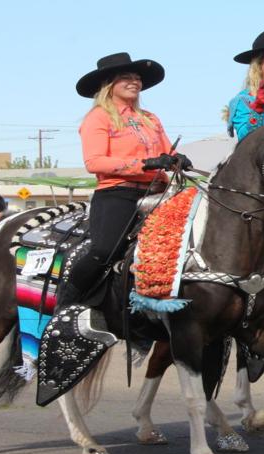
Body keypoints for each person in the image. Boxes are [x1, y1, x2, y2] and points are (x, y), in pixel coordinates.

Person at [63, 52, 186, 310]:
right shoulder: (98, 117)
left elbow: (167, 152)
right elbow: (94, 162)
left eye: (137, 78)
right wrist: (143, 164)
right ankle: (67, 303)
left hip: (158, 194)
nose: (134, 82)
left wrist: (176, 160)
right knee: (105, 250)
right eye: (126, 78)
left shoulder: (150, 118)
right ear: (109, 84)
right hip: (118, 193)